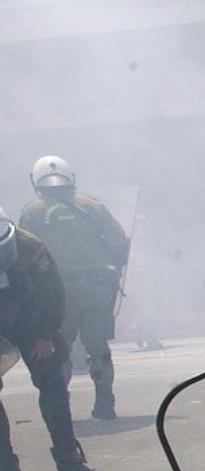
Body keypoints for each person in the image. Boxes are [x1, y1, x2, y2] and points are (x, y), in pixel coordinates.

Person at [19, 156, 130, 420]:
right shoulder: (92, 206)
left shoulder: (32, 211)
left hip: (58, 292)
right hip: (97, 288)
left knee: (60, 349)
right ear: (71, 177)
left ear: (37, 180)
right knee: (97, 347)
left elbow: (24, 253)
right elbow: (119, 242)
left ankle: (61, 408)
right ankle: (105, 403)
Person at [0, 206, 94, 471]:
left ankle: (68, 456)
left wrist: (47, 334)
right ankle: (4, 467)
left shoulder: (30, 246)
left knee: (53, 387)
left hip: (33, 321)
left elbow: (52, 292)